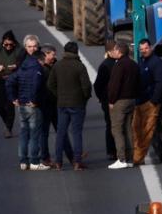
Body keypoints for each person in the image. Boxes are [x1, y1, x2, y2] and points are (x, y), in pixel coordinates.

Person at [6, 37, 49, 170]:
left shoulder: (22, 66)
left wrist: (13, 98)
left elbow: (9, 81)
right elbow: (36, 85)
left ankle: (23, 162)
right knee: (34, 135)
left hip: (22, 104)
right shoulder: (37, 68)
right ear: (40, 60)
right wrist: (34, 100)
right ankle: (34, 162)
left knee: (24, 133)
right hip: (33, 106)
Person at [48, 41, 92, 170]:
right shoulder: (79, 66)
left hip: (62, 104)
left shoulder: (57, 65)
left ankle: (58, 162)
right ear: (76, 52)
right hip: (77, 104)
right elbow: (86, 87)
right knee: (76, 132)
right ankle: (77, 161)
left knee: (61, 133)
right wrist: (84, 98)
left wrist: (59, 95)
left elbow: (50, 84)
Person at [132, 39, 162, 165]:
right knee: (136, 129)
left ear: (150, 47)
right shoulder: (141, 61)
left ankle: (138, 158)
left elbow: (160, 82)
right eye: (141, 49)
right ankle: (136, 154)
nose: (144, 51)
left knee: (147, 131)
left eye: (146, 48)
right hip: (139, 101)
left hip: (150, 103)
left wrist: (154, 100)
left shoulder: (156, 63)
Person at [108, 42, 139, 169]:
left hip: (120, 101)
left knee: (117, 130)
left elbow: (115, 85)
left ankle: (121, 159)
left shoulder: (119, 65)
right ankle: (130, 159)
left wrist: (111, 100)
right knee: (128, 129)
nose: (114, 52)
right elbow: (139, 82)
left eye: (115, 50)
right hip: (132, 100)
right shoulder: (134, 64)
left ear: (119, 51)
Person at [94, 42, 119, 161]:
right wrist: (103, 98)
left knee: (113, 125)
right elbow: (98, 85)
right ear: (109, 52)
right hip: (109, 101)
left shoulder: (112, 64)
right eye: (115, 50)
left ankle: (114, 151)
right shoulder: (106, 66)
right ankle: (112, 151)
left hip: (110, 100)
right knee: (111, 125)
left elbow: (97, 86)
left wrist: (101, 98)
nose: (117, 51)